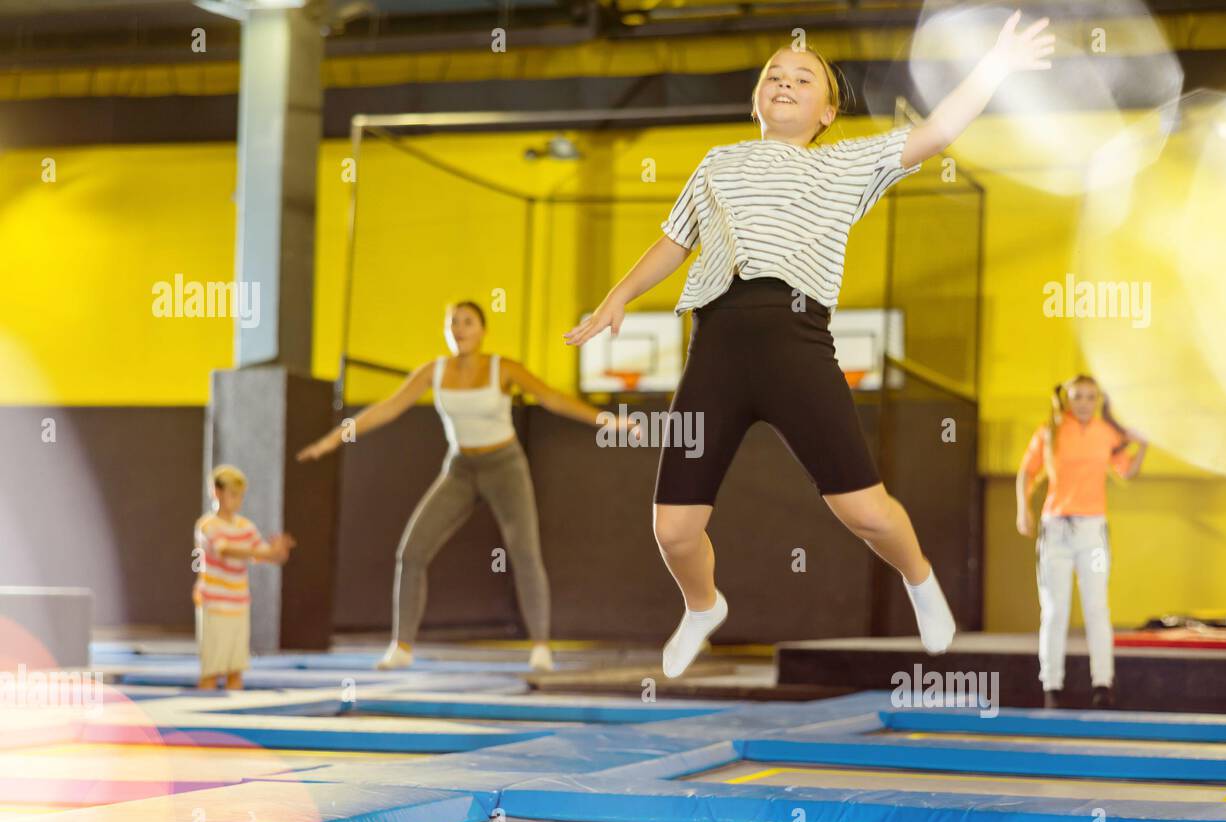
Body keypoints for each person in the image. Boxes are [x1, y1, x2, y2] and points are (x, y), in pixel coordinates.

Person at [564, 13, 1055, 677]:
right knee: (673, 528)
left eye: (804, 78)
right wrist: (617, 296)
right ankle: (703, 605)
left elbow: (937, 132)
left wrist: (995, 63)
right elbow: (675, 242)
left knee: (864, 511)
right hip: (715, 345)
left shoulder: (846, 164)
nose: (785, 82)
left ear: (826, 112)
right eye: (774, 75)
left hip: (796, 342)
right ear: (757, 99)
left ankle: (918, 579)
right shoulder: (719, 163)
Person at [298, 300, 636, 672]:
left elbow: (551, 398)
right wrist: (336, 437)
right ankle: (402, 647)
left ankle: (541, 647)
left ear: (482, 329)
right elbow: (389, 407)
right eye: (452, 323)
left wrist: (606, 420)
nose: (459, 329)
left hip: (504, 465)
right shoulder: (434, 371)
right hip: (460, 467)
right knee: (411, 552)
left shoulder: (501, 368)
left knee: (524, 553)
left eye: (467, 322)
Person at [1016, 375, 1148, 708]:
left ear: (1099, 399)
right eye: (1078, 396)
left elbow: (1127, 471)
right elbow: (1026, 472)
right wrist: (1023, 510)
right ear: (1067, 398)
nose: (1084, 403)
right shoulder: (1051, 430)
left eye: (1091, 397)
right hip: (1055, 531)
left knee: (1096, 608)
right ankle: (1051, 687)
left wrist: (1142, 444)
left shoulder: (1108, 433)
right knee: (1055, 610)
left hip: (1093, 532)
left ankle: (1103, 685)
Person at [193, 464, 295, 690]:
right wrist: (266, 551)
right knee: (210, 672)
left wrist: (279, 552)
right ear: (216, 492)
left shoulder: (245, 526)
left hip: (238, 604)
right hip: (214, 604)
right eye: (233, 495)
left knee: (235, 672)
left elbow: (266, 556)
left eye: (240, 496)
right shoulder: (207, 525)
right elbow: (224, 550)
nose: (238, 501)